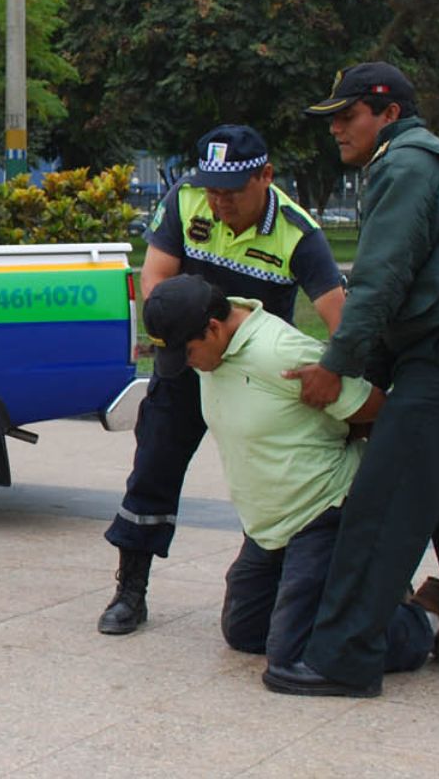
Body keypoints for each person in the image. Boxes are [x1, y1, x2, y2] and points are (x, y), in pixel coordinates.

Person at [268, 61, 439, 697]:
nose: (336, 129)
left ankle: (342, 659)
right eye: (333, 118)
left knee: (385, 499)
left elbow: (380, 280)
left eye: (348, 116)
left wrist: (336, 367)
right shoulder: (408, 161)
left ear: (388, 113)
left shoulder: (406, 164)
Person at [143, 275, 439, 683]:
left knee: (296, 658)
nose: (187, 365)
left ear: (214, 328)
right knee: (245, 632)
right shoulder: (212, 351)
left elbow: (377, 407)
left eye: (186, 354)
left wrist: (348, 426)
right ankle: (348, 600)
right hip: (267, 525)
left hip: (320, 510)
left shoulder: (279, 352)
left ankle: (431, 618)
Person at [98, 125, 346, 635]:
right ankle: (130, 590)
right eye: (211, 189)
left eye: (230, 193)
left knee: (267, 476)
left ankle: (276, 573)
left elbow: (342, 318)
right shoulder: (186, 200)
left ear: (266, 177)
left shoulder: (298, 233)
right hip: (189, 356)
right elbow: (156, 280)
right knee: (152, 469)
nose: (217, 203)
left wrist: (333, 368)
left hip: (254, 374)